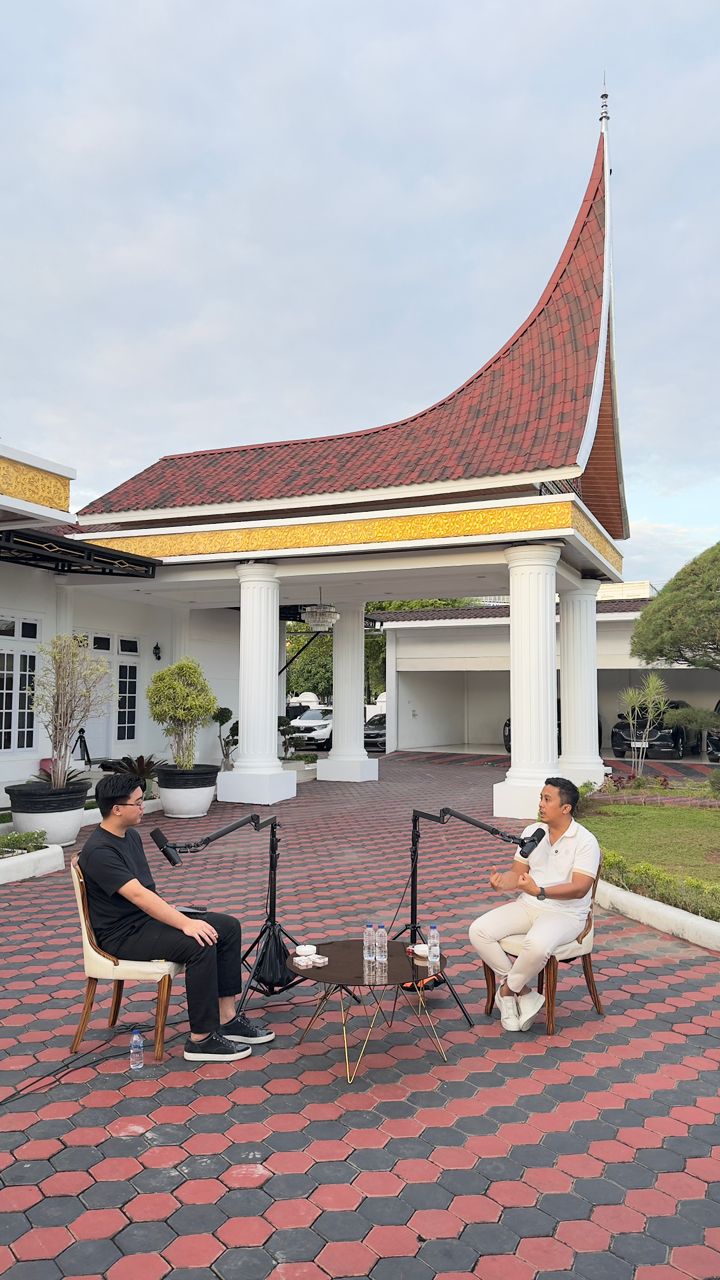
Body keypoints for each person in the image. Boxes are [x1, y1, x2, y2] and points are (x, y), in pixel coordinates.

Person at [78, 773, 275, 1063]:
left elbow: (146, 895)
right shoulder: (99, 851)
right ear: (116, 809)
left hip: (144, 922)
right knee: (199, 942)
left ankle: (227, 1018)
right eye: (138, 802)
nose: (143, 807)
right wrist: (184, 923)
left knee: (228, 927)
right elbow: (140, 897)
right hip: (122, 935)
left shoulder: (129, 835)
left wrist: (183, 919)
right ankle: (201, 1039)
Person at [468, 777, 600, 1032]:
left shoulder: (585, 841)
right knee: (479, 930)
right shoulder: (532, 832)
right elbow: (517, 875)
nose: (540, 804)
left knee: (537, 945)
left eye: (547, 799)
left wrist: (540, 890)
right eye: (540, 797)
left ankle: (506, 992)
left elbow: (580, 887)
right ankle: (524, 992)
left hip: (567, 914)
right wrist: (501, 883)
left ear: (566, 808)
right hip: (529, 904)